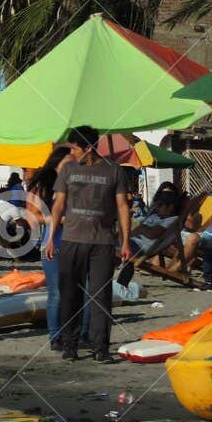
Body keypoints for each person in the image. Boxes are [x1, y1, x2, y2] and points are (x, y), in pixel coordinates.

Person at [43, 125, 131, 362]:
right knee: (70, 294)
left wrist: (125, 242)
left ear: (89, 148)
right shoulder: (68, 170)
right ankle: (70, 345)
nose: (72, 153)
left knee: (100, 296)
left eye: (75, 148)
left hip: (102, 243)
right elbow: (58, 205)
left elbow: (123, 207)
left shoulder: (114, 171)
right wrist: (51, 238)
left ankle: (100, 348)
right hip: (71, 240)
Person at [26, 145, 73, 348]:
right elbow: (30, 217)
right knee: (56, 293)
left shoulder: (77, 182)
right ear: (57, 162)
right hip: (52, 243)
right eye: (68, 162)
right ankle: (55, 336)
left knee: (74, 291)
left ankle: (72, 332)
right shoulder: (41, 185)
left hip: (75, 241)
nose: (72, 165)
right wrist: (57, 220)